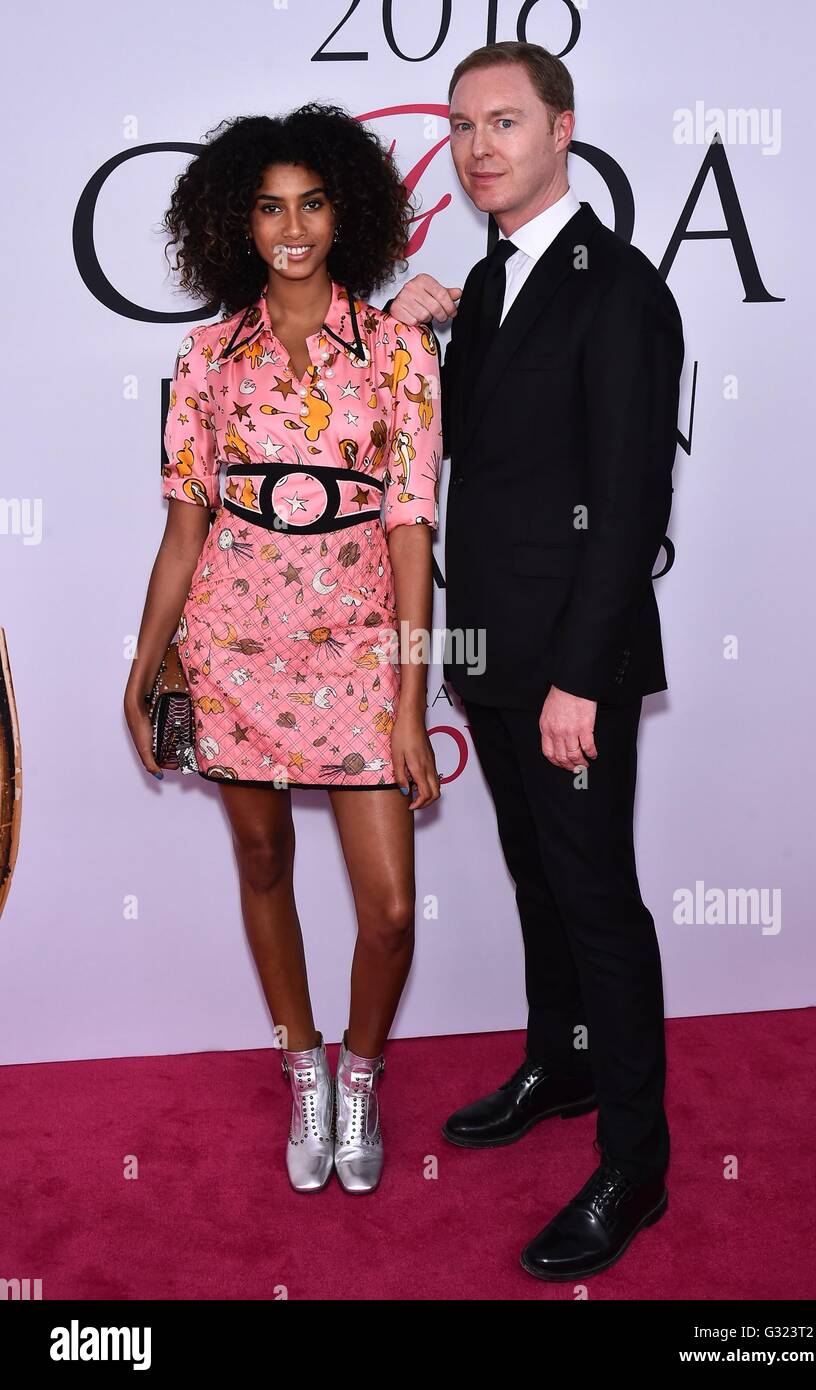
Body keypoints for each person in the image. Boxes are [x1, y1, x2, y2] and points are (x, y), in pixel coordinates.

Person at [389, 42, 684, 1277]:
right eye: (461, 126)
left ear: (563, 129)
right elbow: (481, 457)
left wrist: (579, 677)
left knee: (598, 899)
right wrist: (417, 325)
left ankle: (637, 1161)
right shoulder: (493, 282)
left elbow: (624, 507)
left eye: (504, 122)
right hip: (492, 652)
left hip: (572, 670)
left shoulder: (616, 289)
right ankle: (561, 1062)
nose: (477, 146)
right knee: (535, 877)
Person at [124, 105, 442, 1196]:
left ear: (345, 213)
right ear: (238, 224)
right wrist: (144, 665)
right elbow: (184, 530)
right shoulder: (208, 356)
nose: (292, 227)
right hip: (232, 645)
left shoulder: (400, 351)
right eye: (269, 207)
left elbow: (411, 533)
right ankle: (301, 1065)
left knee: (389, 907)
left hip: (358, 654)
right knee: (263, 862)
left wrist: (407, 700)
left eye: (311, 203)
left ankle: (362, 1074)